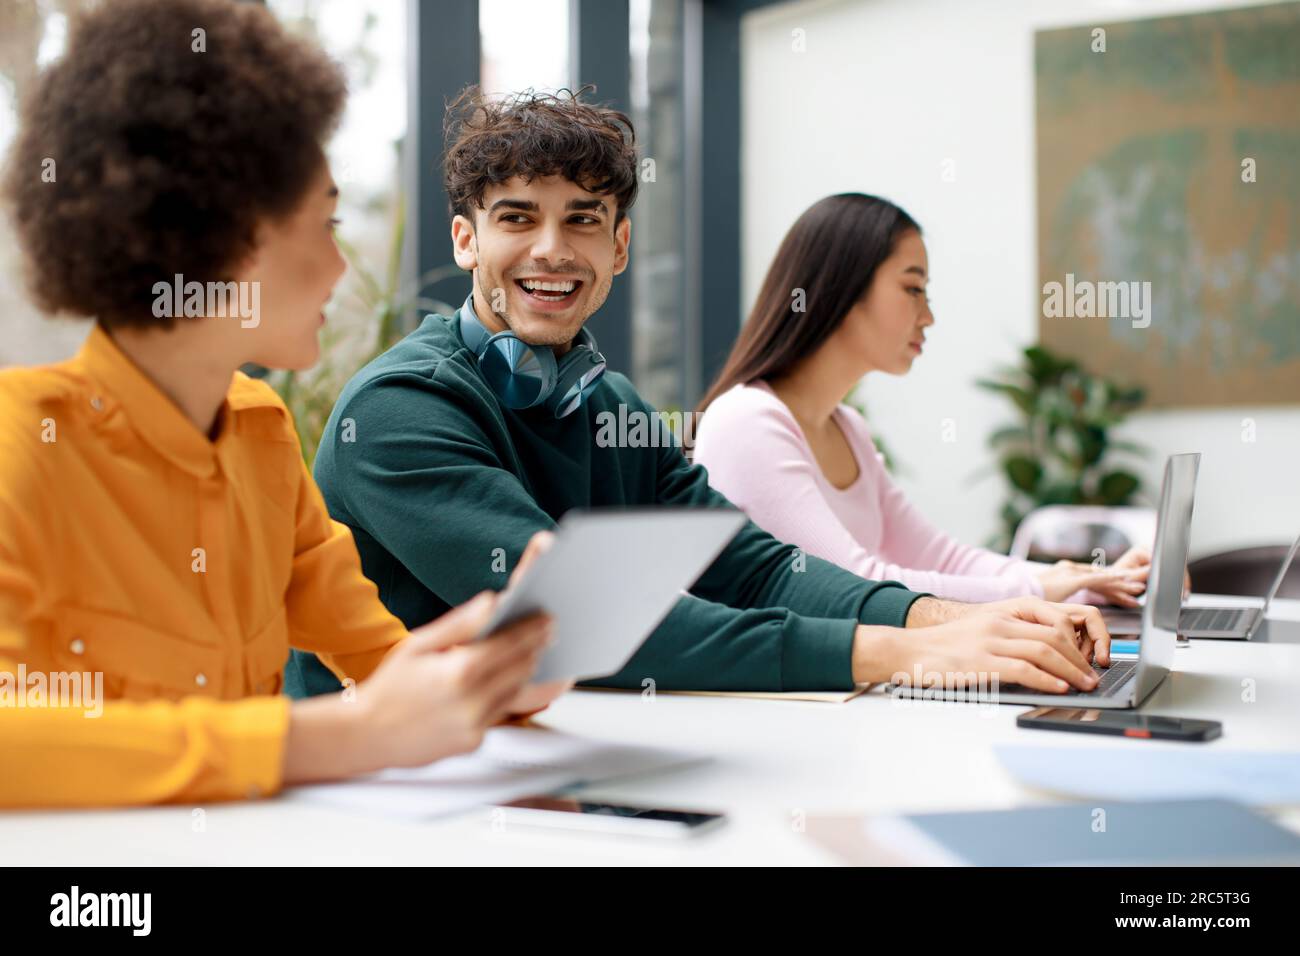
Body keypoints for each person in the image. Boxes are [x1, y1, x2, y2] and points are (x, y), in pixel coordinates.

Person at [286, 91, 1115, 703]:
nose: (551, 250)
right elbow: (581, 623)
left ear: (619, 247)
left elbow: (753, 567)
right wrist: (906, 653)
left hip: (536, 763)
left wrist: (952, 623)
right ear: (466, 239)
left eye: (582, 221)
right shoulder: (400, 410)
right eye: (516, 218)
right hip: (386, 799)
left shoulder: (607, 403)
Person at [0, 0, 557, 809]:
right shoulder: (22, 446)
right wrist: (336, 737)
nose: (339, 266)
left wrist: (498, 667)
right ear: (229, 236)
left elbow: (378, 661)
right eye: (324, 223)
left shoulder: (261, 437)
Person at [692, 193, 1151, 606]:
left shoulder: (846, 427)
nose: (928, 316)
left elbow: (940, 558)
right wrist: (1037, 590)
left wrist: (1091, 583)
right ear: (841, 286)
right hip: (770, 700)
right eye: (913, 289)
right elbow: (855, 584)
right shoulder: (748, 422)